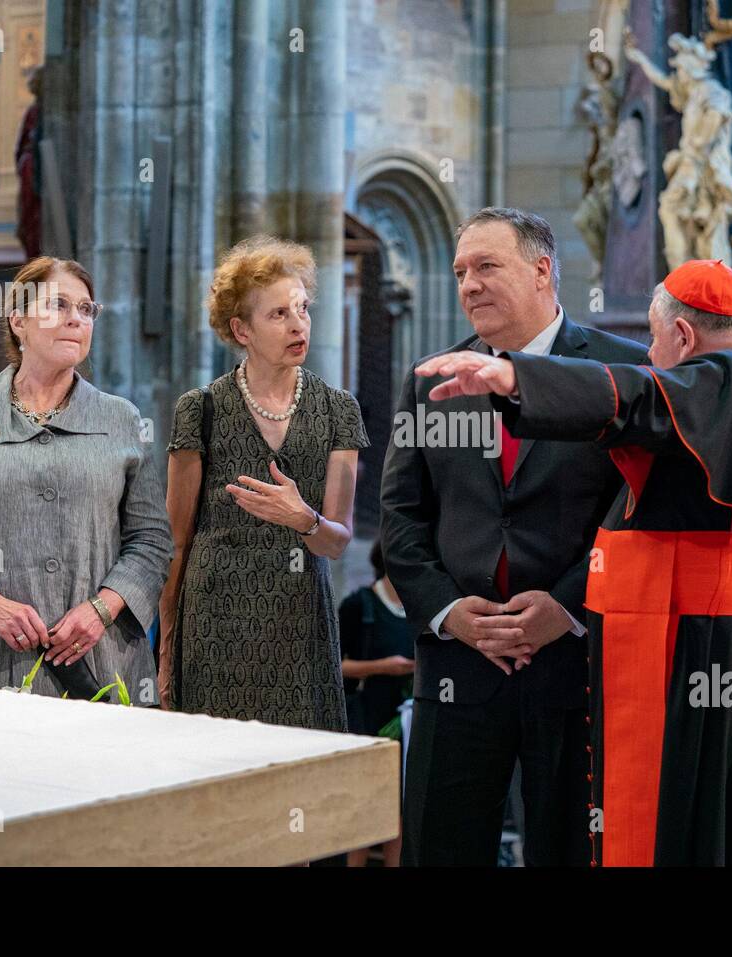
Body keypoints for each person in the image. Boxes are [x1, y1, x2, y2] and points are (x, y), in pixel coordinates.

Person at [416, 258, 732, 866]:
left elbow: (642, 395)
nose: (649, 353)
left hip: (722, 659)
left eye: (653, 337)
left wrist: (516, 380)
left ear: (683, 336)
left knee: (718, 833)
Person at [381, 207, 649, 866]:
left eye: (486, 266)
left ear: (541, 270)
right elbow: (401, 513)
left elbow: (637, 507)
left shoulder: (620, 370)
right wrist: (449, 612)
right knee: (440, 846)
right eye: (460, 271)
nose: (469, 284)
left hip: (575, 662)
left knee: (570, 848)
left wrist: (567, 607)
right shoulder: (433, 379)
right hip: (458, 666)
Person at [0, 256, 172, 699]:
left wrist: (100, 611)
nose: (76, 319)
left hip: (97, 661)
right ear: (19, 322)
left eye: (86, 310)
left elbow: (151, 541)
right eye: (59, 305)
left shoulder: (120, 419)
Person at [159, 235, 368, 731]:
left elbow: (337, 542)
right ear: (242, 329)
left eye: (302, 309)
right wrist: (166, 648)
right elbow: (176, 542)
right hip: (214, 625)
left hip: (299, 626)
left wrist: (304, 519)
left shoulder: (338, 410)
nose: (299, 324)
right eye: (278, 314)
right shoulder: (200, 409)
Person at [338, 540, 416, 866]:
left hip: (410, 722)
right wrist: (383, 667)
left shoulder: (421, 607)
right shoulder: (360, 605)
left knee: (401, 812)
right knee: (365, 809)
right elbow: (335, 666)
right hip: (368, 720)